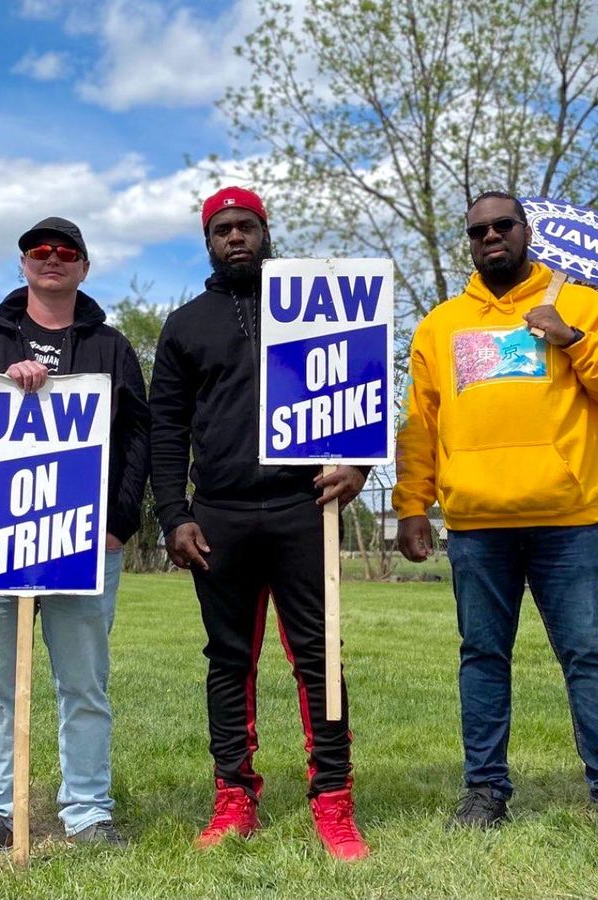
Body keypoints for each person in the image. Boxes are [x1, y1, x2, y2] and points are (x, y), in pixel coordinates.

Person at [394, 191, 598, 838]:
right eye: (477, 230)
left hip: (565, 519)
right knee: (482, 657)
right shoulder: (440, 324)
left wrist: (572, 339)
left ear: (525, 231)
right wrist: (410, 505)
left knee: (589, 656)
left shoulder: (584, 304)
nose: (490, 237)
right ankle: (485, 792)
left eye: (502, 225)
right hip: (476, 524)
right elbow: (419, 423)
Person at [149, 187, 369, 860]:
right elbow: (165, 427)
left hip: (306, 507)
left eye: (247, 226)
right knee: (229, 660)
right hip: (219, 513)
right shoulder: (186, 325)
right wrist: (174, 516)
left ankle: (333, 800)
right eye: (223, 230)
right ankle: (234, 796)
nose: (236, 237)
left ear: (266, 231)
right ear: (208, 242)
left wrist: (357, 465)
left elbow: (359, 379)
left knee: (318, 658)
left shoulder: (317, 308)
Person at [0, 217, 149, 857]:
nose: (52, 259)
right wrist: (4, 384)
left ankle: (87, 812)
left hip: (84, 542)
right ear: (23, 263)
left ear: (84, 266)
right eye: (39, 251)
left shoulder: (109, 346)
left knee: (84, 685)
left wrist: (119, 523)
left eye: (66, 252)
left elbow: (139, 435)